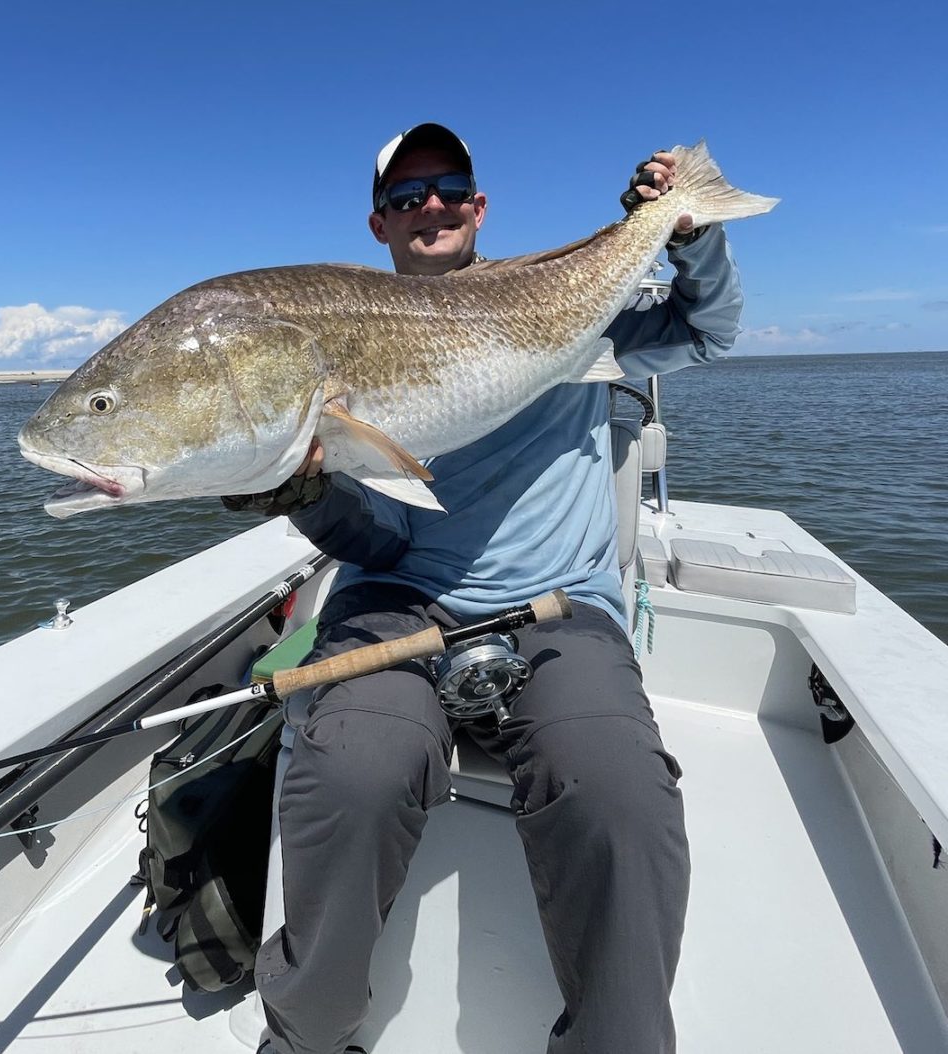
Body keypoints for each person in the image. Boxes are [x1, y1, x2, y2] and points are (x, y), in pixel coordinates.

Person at [236, 123, 745, 1054]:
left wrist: (687, 230)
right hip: (397, 601)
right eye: (405, 197)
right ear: (379, 226)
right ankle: (306, 1035)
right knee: (348, 772)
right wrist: (305, 496)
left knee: (620, 795)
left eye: (448, 188)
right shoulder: (336, 336)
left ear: (478, 207)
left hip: (561, 606)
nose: (429, 206)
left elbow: (707, 329)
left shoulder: (569, 307)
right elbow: (376, 538)